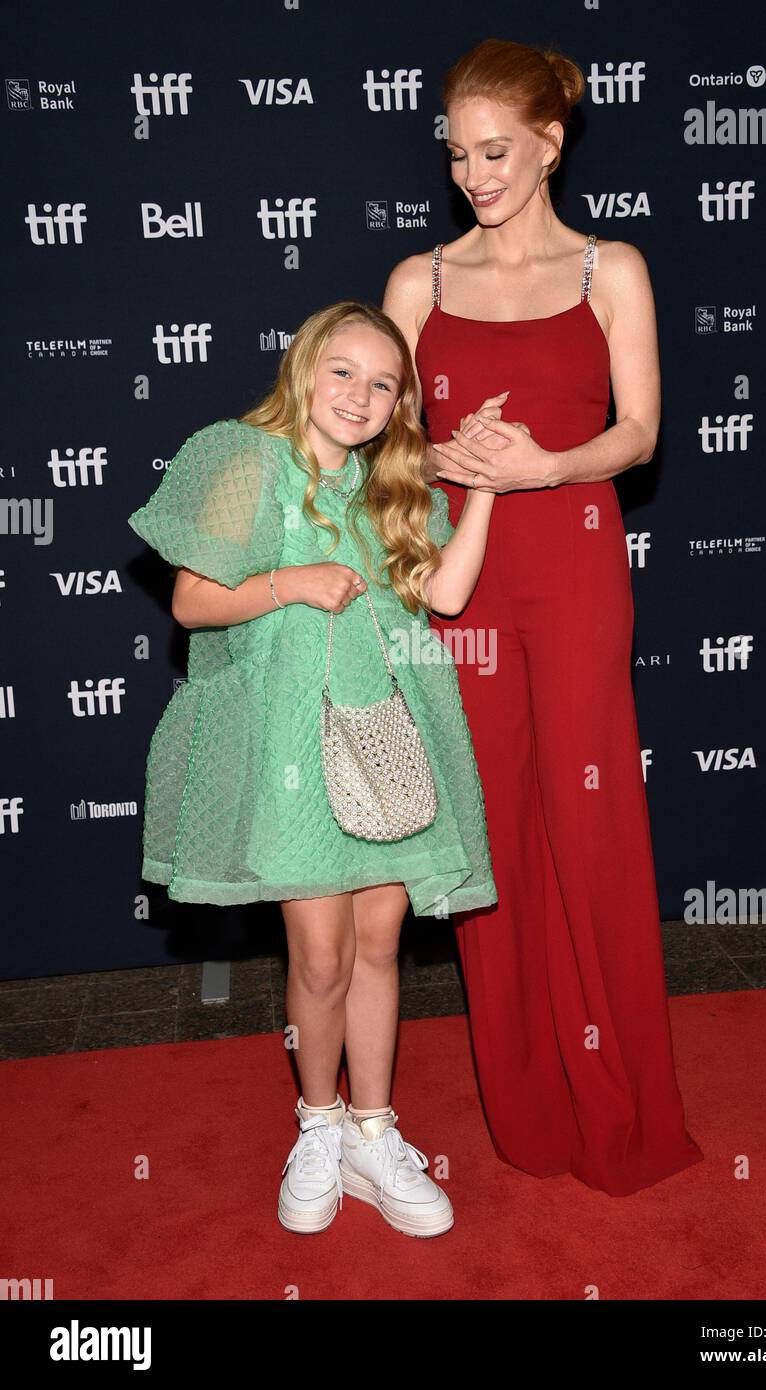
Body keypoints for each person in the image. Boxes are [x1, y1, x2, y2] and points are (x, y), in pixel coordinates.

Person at [381, 38, 704, 1196]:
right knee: (492, 829)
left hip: (572, 566)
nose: (474, 174)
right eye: (458, 153)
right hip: (460, 580)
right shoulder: (418, 282)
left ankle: (620, 1102)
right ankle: (527, 1102)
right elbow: (390, 441)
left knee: (592, 823)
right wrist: (443, 459)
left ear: (551, 142)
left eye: (497, 151)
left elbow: (640, 433)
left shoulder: (609, 269)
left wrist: (542, 462)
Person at [127, 300, 498, 1237]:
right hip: (293, 749)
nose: (360, 396)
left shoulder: (394, 485)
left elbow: (446, 594)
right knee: (320, 954)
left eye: (383, 384)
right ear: (304, 369)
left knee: (380, 946)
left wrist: (487, 484)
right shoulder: (243, 458)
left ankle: (375, 1132)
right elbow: (191, 602)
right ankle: (318, 1125)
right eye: (343, 372)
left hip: (386, 736)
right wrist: (287, 584)